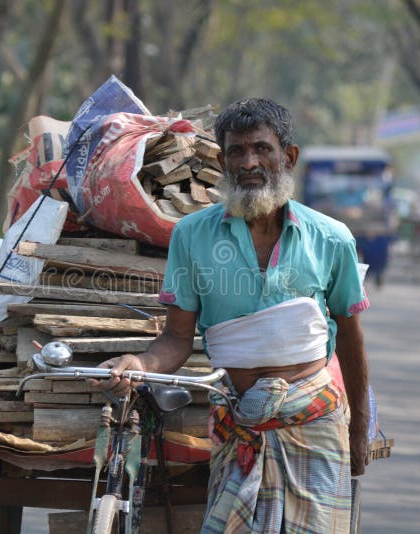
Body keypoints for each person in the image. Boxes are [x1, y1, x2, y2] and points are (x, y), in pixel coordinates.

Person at [92, 98, 370, 533]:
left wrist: (359, 432)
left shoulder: (331, 239)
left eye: (261, 148)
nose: (249, 162)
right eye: (237, 152)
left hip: (314, 420)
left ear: (288, 156)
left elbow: (350, 339)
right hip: (237, 421)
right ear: (222, 161)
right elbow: (177, 339)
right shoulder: (191, 235)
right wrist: (140, 365)